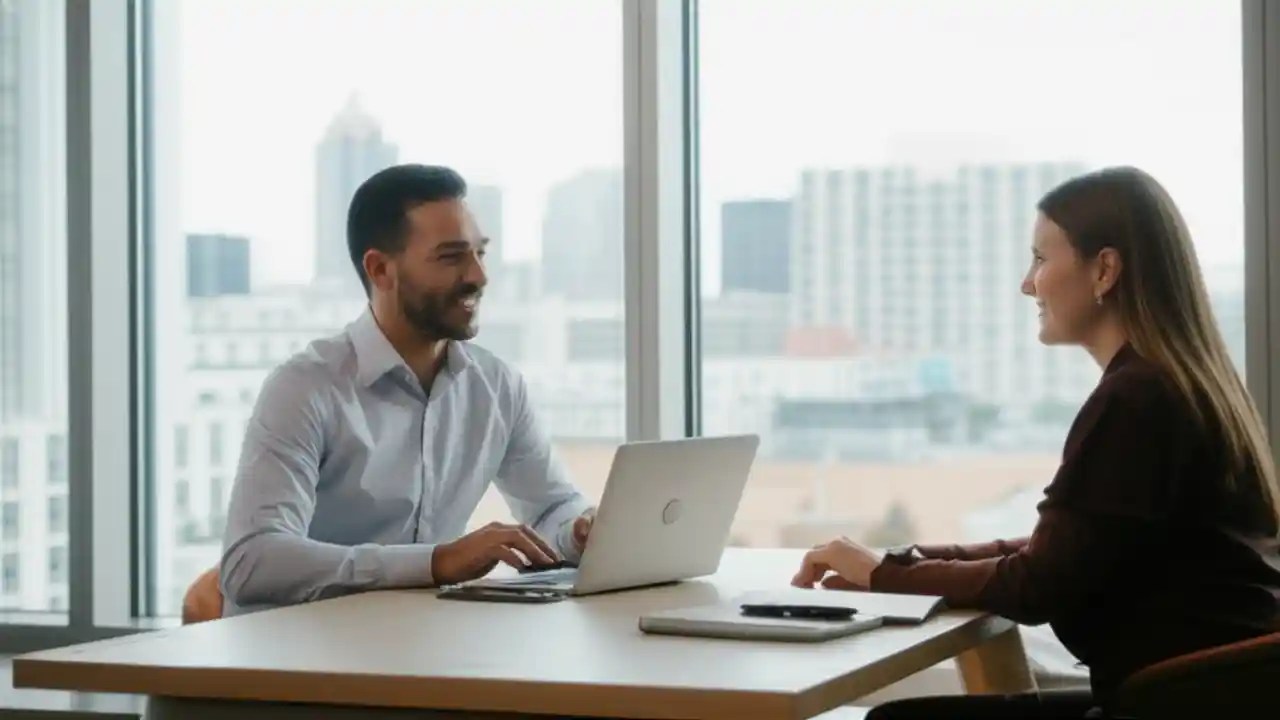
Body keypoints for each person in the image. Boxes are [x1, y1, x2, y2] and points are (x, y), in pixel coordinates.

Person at [792, 167, 1280, 718]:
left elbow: (1038, 586)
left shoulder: (1136, 399)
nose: (1028, 283)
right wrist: (907, 560)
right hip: (1205, 695)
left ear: (1105, 270)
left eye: (1041, 259)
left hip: (1166, 700)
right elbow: (1070, 548)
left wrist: (883, 576)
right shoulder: (1184, 381)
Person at [219, 164, 595, 616]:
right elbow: (252, 562)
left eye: (480, 253)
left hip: (416, 649)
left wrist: (578, 530)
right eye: (451, 257)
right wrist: (436, 562)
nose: (478, 276)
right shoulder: (306, 388)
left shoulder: (496, 386)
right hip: (297, 664)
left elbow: (552, 506)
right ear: (380, 269)